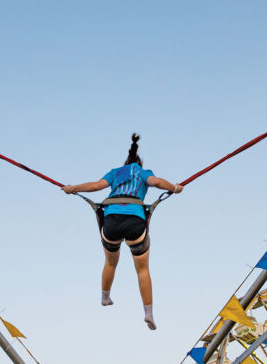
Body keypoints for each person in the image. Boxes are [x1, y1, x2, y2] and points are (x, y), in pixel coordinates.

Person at [62, 134, 182, 330]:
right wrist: (175, 188)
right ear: (139, 164)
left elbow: (96, 185)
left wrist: (72, 188)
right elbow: (157, 182)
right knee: (142, 269)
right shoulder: (142, 172)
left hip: (111, 222)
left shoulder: (115, 172)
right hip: (135, 222)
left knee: (110, 261)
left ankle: (105, 296)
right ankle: (148, 313)